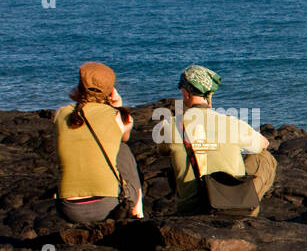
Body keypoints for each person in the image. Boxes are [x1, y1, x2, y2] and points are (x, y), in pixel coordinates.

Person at [156, 64, 277, 213]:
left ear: (186, 93)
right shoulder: (232, 123)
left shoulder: (169, 125)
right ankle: (246, 204)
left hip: (191, 208)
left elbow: (162, 151)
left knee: (175, 157)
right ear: (210, 94)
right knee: (264, 157)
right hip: (232, 205)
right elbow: (264, 143)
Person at [53, 62, 145, 223]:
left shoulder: (60, 114)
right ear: (111, 91)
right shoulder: (121, 118)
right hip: (107, 206)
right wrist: (117, 105)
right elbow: (124, 137)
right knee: (122, 149)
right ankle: (138, 213)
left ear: (80, 86)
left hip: (67, 207)